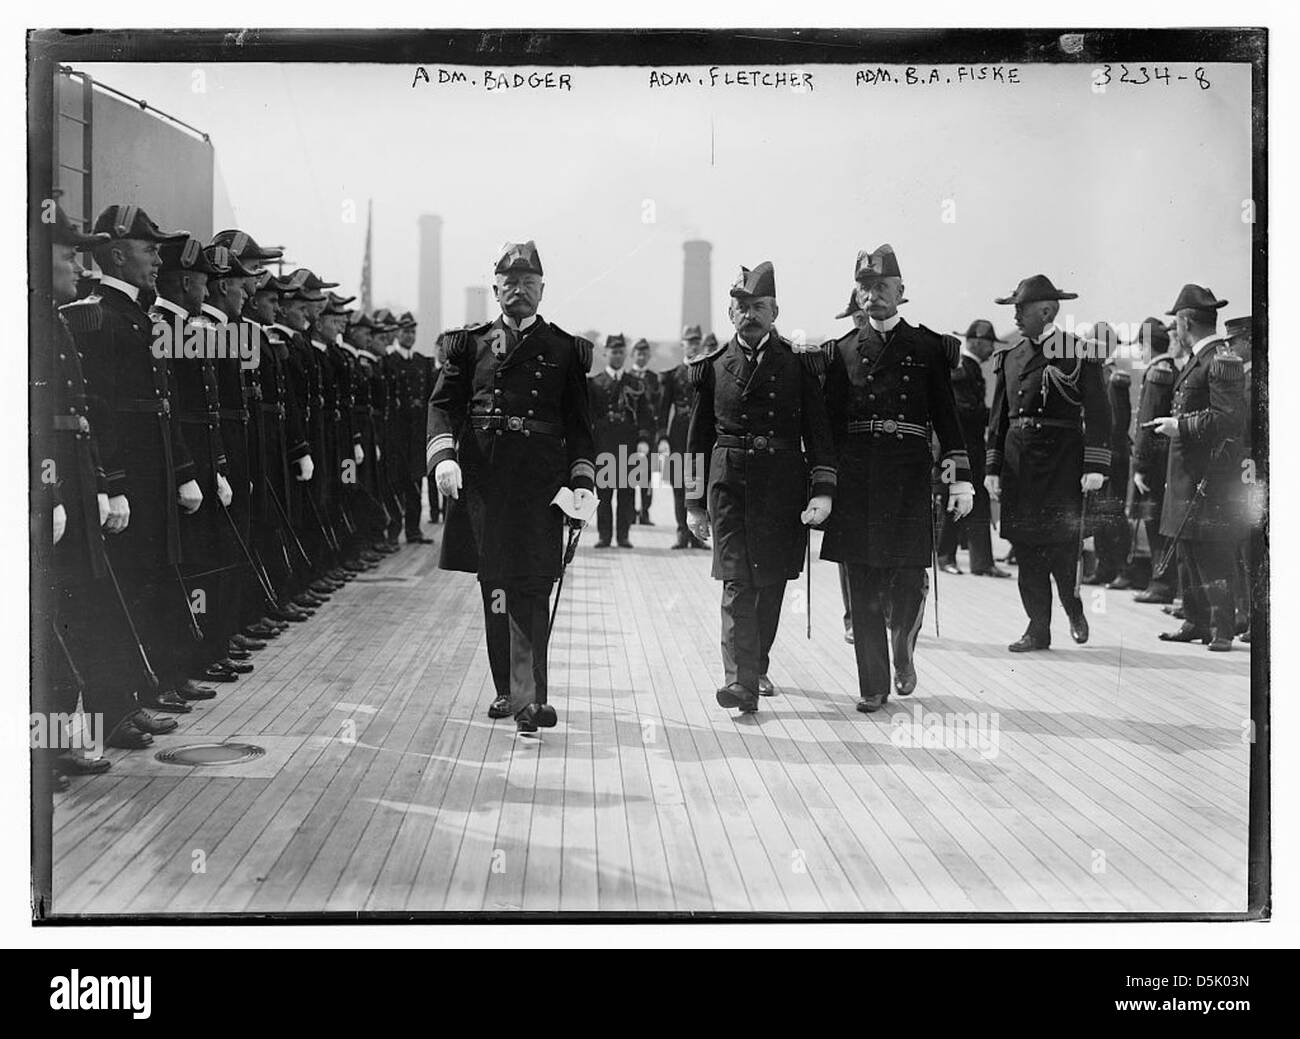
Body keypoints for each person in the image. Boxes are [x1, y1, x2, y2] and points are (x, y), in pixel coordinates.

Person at [427, 240, 597, 733]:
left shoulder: (565, 350)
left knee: (534, 584)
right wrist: (443, 456)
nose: (518, 291)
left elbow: (580, 427)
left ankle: (528, 698)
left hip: (542, 487)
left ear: (542, 290)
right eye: (509, 283)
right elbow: (443, 406)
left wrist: (582, 481)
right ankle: (509, 688)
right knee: (496, 585)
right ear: (495, 289)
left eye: (528, 283)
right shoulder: (470, 345)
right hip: (486, 483)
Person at [68, 204, 201, 746]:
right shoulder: (97, 316)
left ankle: (134, 695)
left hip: (151, 473)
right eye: (149, 250)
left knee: (142, 583)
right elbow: (98, 410)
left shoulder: (136, 315)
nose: (157, 260)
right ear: (118, 254)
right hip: (129, 477)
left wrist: (182, 472)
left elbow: (160, 404)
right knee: (119, 590)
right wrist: (113, 483)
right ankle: (112, 710)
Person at [820, 245, 972, 711]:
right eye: (865, 287)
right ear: (856, 294)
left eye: (883, 287)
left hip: (908, 478)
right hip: (857, 480)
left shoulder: (928, 348)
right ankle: (873, 684)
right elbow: (825, 426)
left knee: (908, 578)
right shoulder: (839, 351)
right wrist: (821, 483)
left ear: (901, 292)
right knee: (862, 581)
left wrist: (961, 478)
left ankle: (902, 648)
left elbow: (947, 419)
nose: (873, 296)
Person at [685, 261, 836, 714]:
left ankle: (757, 664)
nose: (749, 314)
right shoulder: (711, 368)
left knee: (769, 584)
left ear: (775, 311)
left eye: (758, 306)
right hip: (729, 486)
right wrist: (694, 505)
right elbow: (695, 442)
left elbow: (819, 434)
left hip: (782, 488)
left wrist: (822, 491)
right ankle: (739, 682)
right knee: (736, 583)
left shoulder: (799, 365)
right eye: (741, 306)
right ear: (730, 313)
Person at [985, 274, 1110, 652]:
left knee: (1060, 546)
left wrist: (1095, 466)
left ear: (1047, 310)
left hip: (1062, 464)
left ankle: (1072, 607)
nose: (1017, 317)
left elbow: (1100, 414)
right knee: (1026, 550)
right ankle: (1037, 628)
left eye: (1021, 309)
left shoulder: (1078, 352)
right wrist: (992, 468)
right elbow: (999, 417)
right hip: (1019, 465)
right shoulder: (1010, 356)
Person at [38, 202, 116, 784]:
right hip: (49, 484)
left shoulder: (54, 317)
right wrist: (47, 494)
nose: (78, 267)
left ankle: (59, 743)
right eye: (69, 254)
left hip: (70, 478)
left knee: (63, 607)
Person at [1151, 285, 1247, 651]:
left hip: (1208, 474)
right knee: (1188, 548)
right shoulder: (1198, 359)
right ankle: (1195, 621)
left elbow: (1228, 418)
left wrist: (1181, 427)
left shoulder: (1219, 360)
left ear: (1185, 320)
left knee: (1212, 552)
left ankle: (1221, 627)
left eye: (1176, 322)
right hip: (1187, 473)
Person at [936, 319, 1009, 578]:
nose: (992, 349)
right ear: (977, 341)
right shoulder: (960, 369)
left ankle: (982, 562)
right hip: (956, 452)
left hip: (970, 451)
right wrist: (994, 416)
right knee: (952, 499)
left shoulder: (970, 368)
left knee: (976, 503)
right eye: (990, 343)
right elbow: (960, 411)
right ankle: (945, 556)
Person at [1128, 317, 1182, 604]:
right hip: (1167, 463)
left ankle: (1161, 585)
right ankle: (1163, 582)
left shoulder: (1156, 374)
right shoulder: (1169, 369)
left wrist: (1140, 466)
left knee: (1154, 522)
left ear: (1147, 344)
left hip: (1154, 464)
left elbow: (1147, 425)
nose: (1138, 351)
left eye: (1139, 344)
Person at [588, 334, 655, 548]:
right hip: (604, 447)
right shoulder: (595, 383)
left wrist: (644, 440)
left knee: (626, 495)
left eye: (620, 352)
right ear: (605, 353)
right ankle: (604, 536)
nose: (617, 356)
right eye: (613, 352)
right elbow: (589, 417)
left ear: (625, 354)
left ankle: (623, 536)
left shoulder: (635, 383)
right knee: (604, 496)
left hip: (628, 448)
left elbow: (645, 416)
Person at [1083, 322, 1135, 588]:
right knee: (1101, 511)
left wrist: (1103, 457)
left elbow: (1116, 422)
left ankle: (1123, 570)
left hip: (1112, 454)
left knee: (1113, 512)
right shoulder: (1098, 372)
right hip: (1103, 454)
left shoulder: (1113, 377)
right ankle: (1105, 567)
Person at [385, 312, 435, 543]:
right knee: (396, 482)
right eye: (405, 332)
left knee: (416, 481)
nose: (409, 336)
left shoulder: (421, 363)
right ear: (397, 334)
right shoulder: (389, 361)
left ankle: (414, 530)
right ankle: (393, 532)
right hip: (397, 433)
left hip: (416, 434)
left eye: (413, 332)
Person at [658, 324, 707, 549]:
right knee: (679, 488)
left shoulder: (708, 371)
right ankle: (681, 533)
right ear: (682, 345)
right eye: (689, 342)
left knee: (698, 486)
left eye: (696, 341)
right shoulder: (673, 375)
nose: (693, 345)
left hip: (701, 438)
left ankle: (697, 536)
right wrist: (663, 438)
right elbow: (663, 409)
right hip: (678, 437)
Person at [627, 337, 663, 524]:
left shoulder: (654, 379)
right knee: (633, 474)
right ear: (633, 355)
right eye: (638, 353)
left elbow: (659, 405)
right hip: (633, 434)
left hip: (651, 434)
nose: (641, 357)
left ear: (649, 356)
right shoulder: (627, 378)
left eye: (645, 353)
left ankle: (645, 511)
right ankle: (631, 511)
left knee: (649, 477)